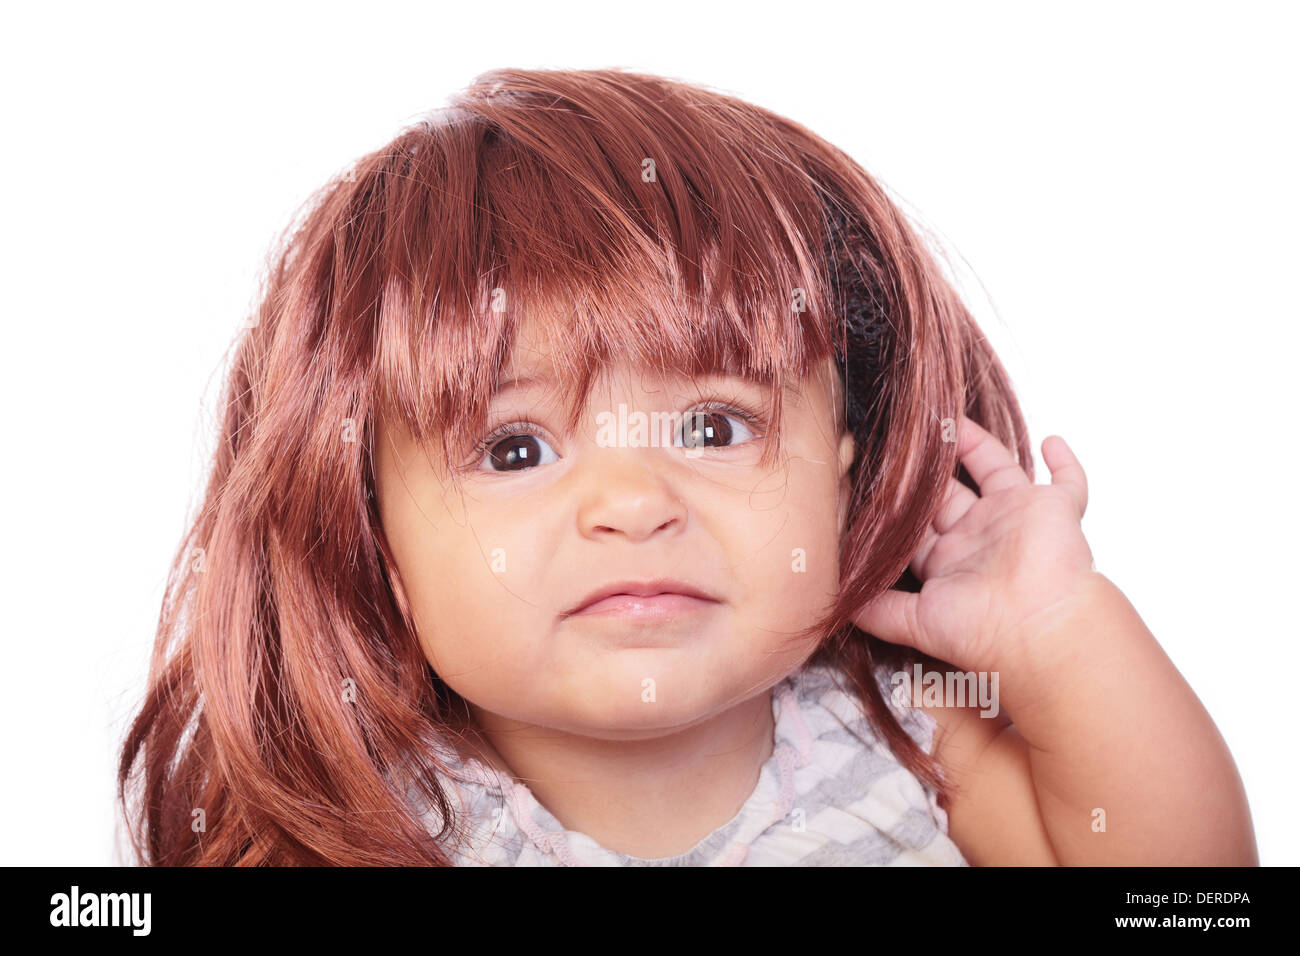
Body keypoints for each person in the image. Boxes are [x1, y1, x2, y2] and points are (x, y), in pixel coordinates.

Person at [117, 66, 1257, 866]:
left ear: (846, 476)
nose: (632, 502)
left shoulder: (913, 741)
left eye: (714, 427)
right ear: (379, 544)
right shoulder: (369, 826)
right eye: (516, 448)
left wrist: (1054, 631)